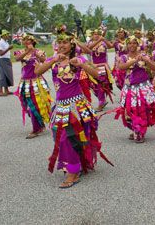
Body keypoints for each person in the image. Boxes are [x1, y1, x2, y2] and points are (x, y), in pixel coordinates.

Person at [34, 31, 112, 188]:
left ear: (71, 45)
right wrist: (53, 60)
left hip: (77, 105)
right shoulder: (53, 60)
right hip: (60, 105)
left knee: (69, 136)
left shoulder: (79, 59)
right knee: (60, 136)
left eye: (65, 43)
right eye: (59, 42)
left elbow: (97, 74)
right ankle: (75, 164)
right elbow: (37, 71)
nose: (61, 45)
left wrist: (82, 64)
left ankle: (73, 172)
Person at [116, 36, 155, 143]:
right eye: (130, 43)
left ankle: (139, 131)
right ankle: (135, 128)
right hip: (129, 88)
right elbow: (121, 67)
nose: (132, 45)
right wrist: (133, 61)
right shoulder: (123, 57)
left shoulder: (144, 55)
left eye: (134, 43)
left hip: (143, 87)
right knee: (129, 110)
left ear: (138, 45)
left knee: (141, 109)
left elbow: (154, 68)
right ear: (127, 45)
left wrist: (146, 60)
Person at [14, 34, 51, 139]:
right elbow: (17, 58)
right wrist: (26, 52)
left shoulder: (38, 51)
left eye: (29, 40)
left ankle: (36, 128)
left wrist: (34, 52)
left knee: (36, 105)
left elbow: (44, 60)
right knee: (29, 106)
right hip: (25, 83)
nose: (26, 42)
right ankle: (39, 124)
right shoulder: (21, 52)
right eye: (25, 40)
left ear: (33, 42)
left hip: (37, 82)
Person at [87, 29, 114, 111]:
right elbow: (89, 48)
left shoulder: (103, 43)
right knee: (93, 85)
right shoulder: (91, 43)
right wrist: (99, 40)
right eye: (94, 34)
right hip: (94, 67)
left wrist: (103, 39)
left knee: (101, 85)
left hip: (102, 67)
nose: (96, 35)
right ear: (92, 35)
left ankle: (101, 103)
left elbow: (110, 46)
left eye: (98, 34)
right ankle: (102, 100)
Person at [0, 30, 14, 96]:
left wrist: (9, 60)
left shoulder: (6, 42)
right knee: (3, 75)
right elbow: (0, 53)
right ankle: (0, 91)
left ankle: (6, 90)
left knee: (7, 75)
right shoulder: (0, 43)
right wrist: (8, 48)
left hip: (7, 59)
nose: (8, 36)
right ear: (4, 35)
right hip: (2, 60)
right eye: (7, 34)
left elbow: (7, 53)